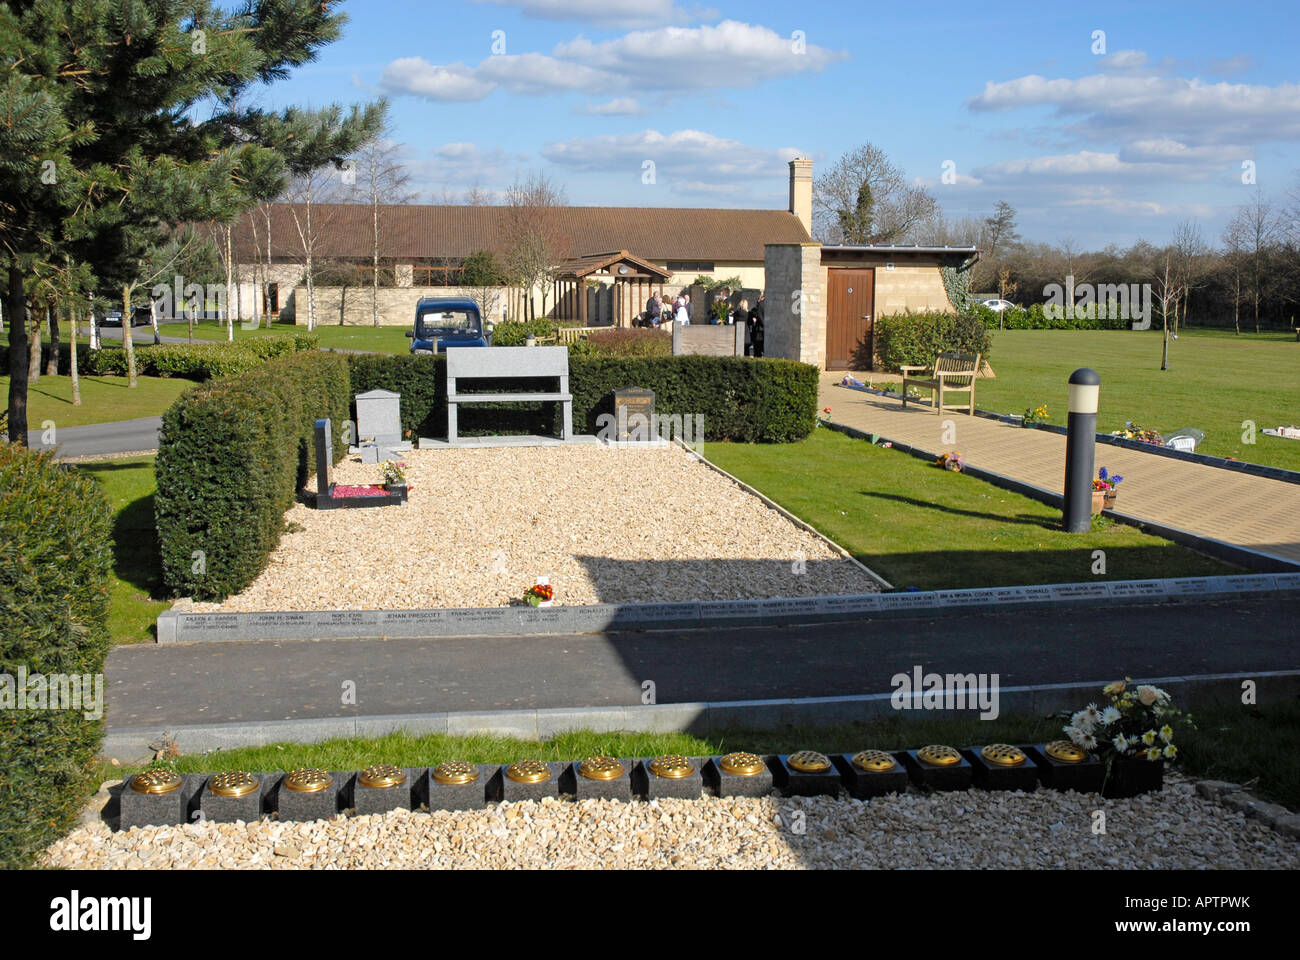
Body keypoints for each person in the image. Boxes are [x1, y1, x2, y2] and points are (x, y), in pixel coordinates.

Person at [748, 291, 765, 358]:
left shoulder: (761, 304)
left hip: (761, 329)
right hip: (761, 329)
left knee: (758, 349)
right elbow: (760, 316)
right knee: (758, 349)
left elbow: (760, 316)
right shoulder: (762, 304)